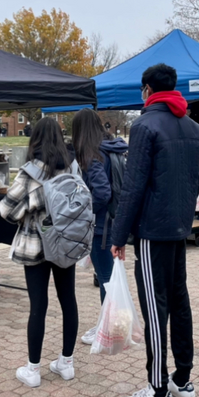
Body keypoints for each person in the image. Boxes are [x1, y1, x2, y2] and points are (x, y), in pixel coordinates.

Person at [110, 63, 199, 397]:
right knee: (178, 301)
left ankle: (159, 389)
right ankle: (183, 379)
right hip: (178, 227)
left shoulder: (144, 125)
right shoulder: (192, 127)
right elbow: (197, 179)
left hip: (152, 230)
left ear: (148, 89)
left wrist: (119, 234)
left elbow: (133, 187)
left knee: (155, 306)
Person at [0, 117, 80, 387]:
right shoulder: (72, 168)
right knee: (68, 300)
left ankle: (33, 369)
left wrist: (32, 202)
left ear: (34, 139)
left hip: (35, 245)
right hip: (66, 243)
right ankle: (66, 363)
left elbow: (6, 210)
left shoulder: (29, 172)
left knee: (39, 304)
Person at [70, 109, 114, 346]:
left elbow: (102, 192)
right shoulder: (110, 148)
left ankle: (107, 328)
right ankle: (109, 323)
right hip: (113, 223)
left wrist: (86, 211)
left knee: (106, 277)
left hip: (100, 226)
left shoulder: (91, 155)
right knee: (110, 276)